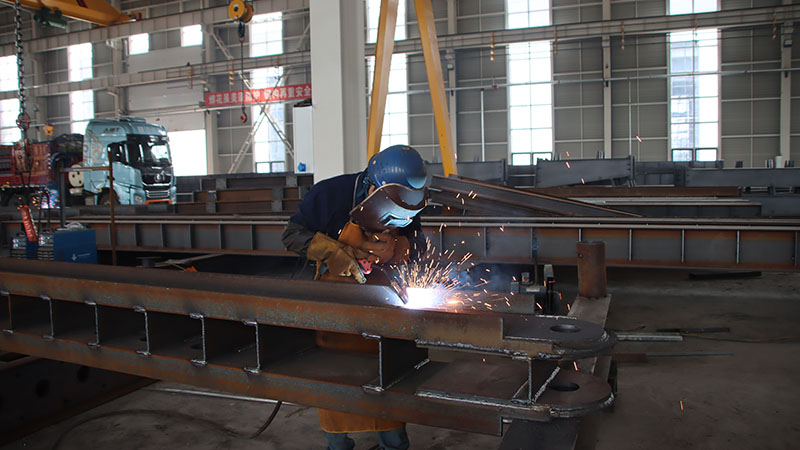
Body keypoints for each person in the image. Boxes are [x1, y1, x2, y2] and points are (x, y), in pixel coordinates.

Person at [281, 145, 428, 450]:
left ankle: (393, 443)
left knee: (390, 400)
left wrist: (401, 248)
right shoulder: (329, 194)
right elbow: (291, 234)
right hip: (337, 314)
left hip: (383, 312)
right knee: (336, 396)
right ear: (373, 188)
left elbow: (418, 242)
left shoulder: (408, 199)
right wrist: (332, 252)